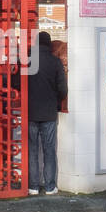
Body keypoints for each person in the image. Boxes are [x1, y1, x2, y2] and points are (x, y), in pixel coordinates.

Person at [27, 31, 67, 195]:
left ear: (36, 43)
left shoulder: (27, 60)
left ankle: (33, 186)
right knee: (49, 150)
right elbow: (62, 89)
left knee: (32, 150)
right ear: (49, 44)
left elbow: (15, 82)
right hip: (49, 113)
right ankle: (50, 186)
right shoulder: (55, 61)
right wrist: (57, 102)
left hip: (30, 112)